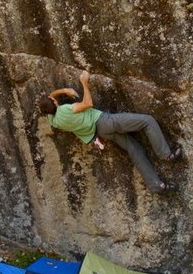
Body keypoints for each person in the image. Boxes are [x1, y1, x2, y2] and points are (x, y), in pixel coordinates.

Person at [39, 71, 183, 193]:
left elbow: (51, 97)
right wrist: (84, 83)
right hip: (105, 121)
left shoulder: (53, 120)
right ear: (55, 103)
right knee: (147, 121)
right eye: (53, 99)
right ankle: (165, 154)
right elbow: (88, 104)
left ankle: (155, 184)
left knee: (135, 149)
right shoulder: (65, 110)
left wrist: (64, 91)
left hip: (101, 132)